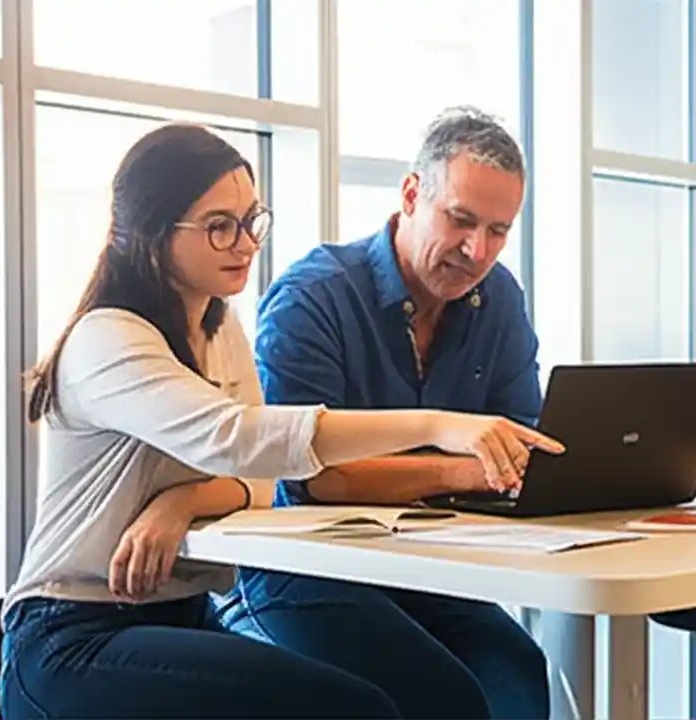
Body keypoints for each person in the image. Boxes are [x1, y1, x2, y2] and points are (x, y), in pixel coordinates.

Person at [0, 122, 562, 720]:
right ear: (151, 233)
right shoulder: (108, 338)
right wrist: (436, 425)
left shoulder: (219, 328)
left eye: (251, 221)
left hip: (184, 612)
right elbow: (241, 440)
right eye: (220, 226)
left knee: (474, 682)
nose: (245, 243)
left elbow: (259, 484)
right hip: (73, 631)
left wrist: (183, 501)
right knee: (358, 708)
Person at [215, 107, 549, 719]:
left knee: (518, 674)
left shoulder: (499, 298)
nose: (477, 250)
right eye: (461, 220)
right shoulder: (313, 297)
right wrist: (459, 470)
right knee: (439, 696)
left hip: (432, 570)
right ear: (411, 194)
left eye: (499, 231)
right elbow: (316, 479)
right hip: (306, 574)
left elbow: (521, 446)